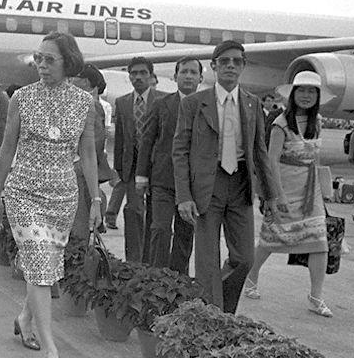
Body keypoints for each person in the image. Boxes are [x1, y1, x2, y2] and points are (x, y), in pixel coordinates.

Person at [0, 32, 103, 358]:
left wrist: (96, 200)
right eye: (37, 58)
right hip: (23, 191)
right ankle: (52, 349)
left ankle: (25, 320)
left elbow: (87, 153)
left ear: (68, 62)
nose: (40, 65)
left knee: (46, 266)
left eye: (49, 59)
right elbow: (7, 149)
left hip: (63, 196)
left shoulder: (85, 103)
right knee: (40, 263)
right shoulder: (21, 98)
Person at [172, 40, 278, 314]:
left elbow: (260, 152)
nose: (231, 66)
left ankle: (217, 307)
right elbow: (180, 152)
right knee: (207, 262)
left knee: (244, 258)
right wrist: (183, 196)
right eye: (225, 61)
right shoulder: (195, 104)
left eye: (237, 61)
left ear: (243, 66)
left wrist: (271, 195)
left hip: (241, 185)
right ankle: (213, 317)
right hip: (208, 187)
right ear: (214, 66)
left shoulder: (253, 104)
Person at [244, 71, 333, 317]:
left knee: (319, 243)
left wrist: (325, 189)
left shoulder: (318, 122)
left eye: (311, 91)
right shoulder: (280, 123)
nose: (306, 96)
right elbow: (270, 161)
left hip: (310, 191)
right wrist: (276, 195)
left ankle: (316, 296)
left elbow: (316, 158)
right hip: (283, 188)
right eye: (302, 90)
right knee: (271, 240)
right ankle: (250, 278)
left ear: (317, 96)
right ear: (293, 94)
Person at [135, 57, 203, 275]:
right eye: (184, 72)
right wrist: (141, 176)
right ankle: (155, 278)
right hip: (163, 179)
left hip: (193, 183)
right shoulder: (161, 104)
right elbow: (147, 140)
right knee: (160, 229)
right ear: (175, 77)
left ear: (201, 78)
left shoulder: (207, 106)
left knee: (185, 234)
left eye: (193, 72)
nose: (188, 76)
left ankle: (177, 280)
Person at [113, 57, 165, 262]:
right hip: (132, 167)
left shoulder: (163, 100)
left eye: (143, 73)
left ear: (151, 76)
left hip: (157, 166)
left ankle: (150, 261)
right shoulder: (123, 102)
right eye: (133, 73)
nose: (138, 77)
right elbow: (120, 138)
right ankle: (134, 262)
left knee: (154, 216)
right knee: (133, 212)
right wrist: (119, 169)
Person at [70, 63, 112, 242]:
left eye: (75, 77)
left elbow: (95, 142)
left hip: (79, 170)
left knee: (79, 222)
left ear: (85, 81)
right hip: (80, 168)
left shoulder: (92, 104)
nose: (71, 80)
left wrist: (78, 163)